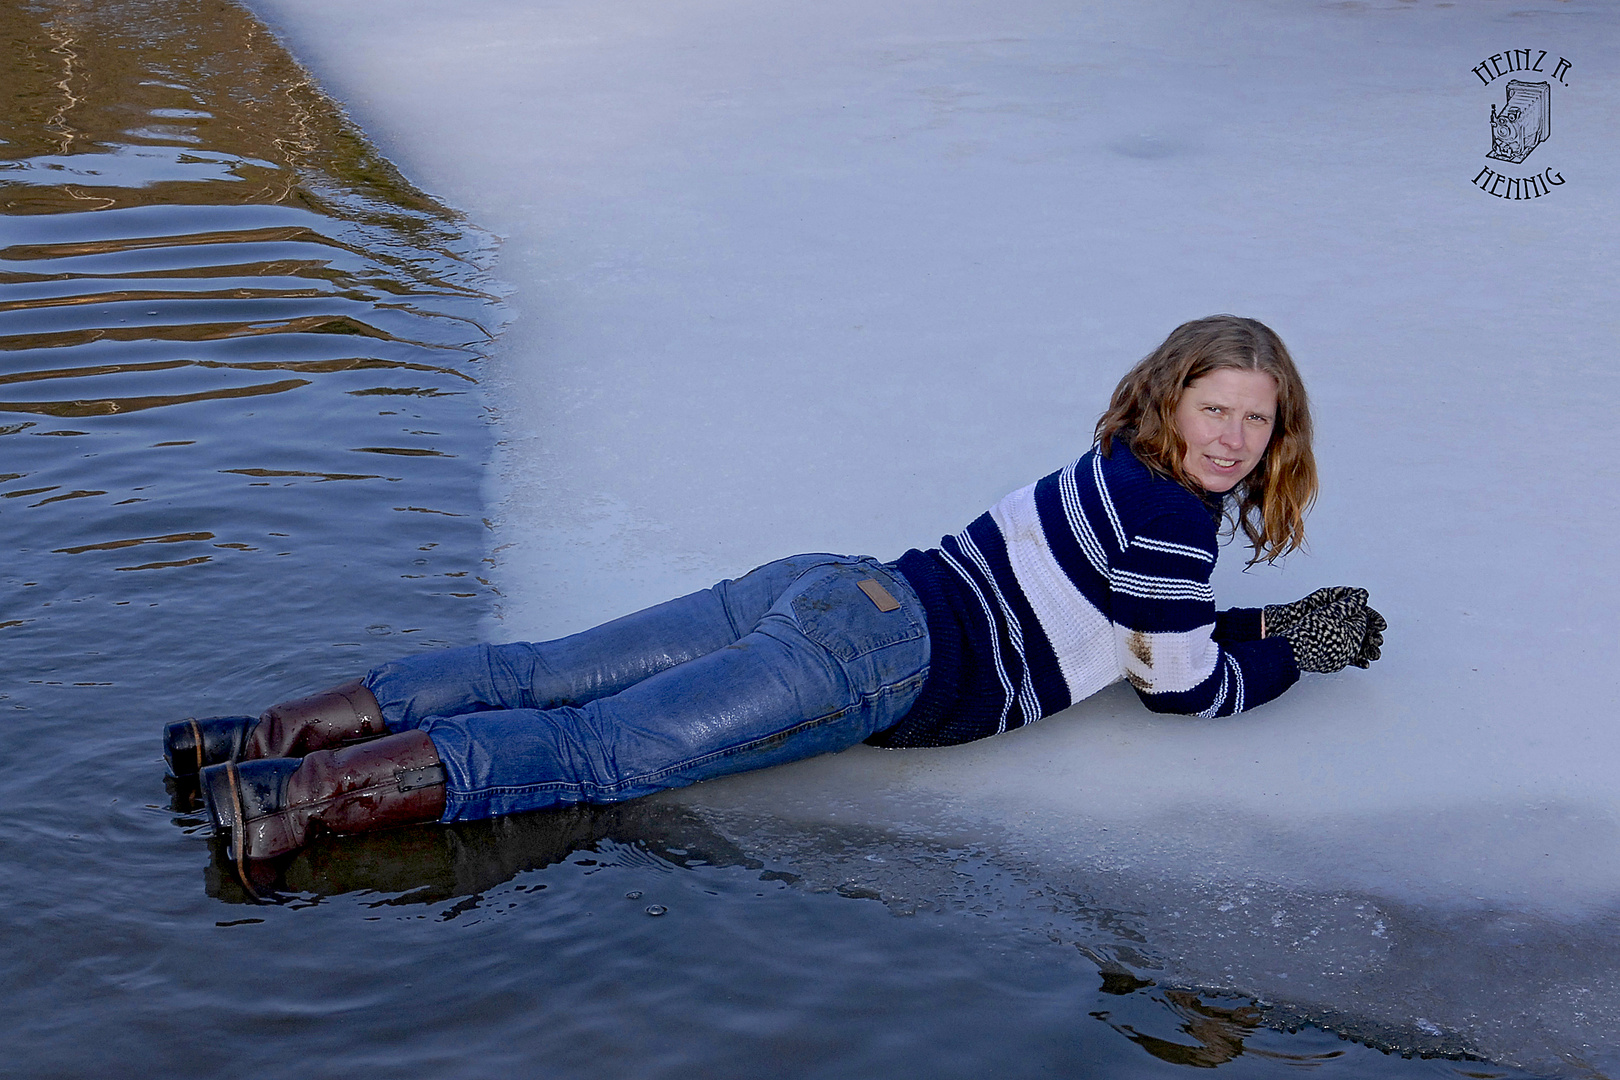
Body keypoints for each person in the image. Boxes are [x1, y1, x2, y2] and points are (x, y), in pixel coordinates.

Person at [167, 315, 1384, 870]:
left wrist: (1258, 624)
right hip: (875, 666)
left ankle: (243, 744)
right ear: (1177, 401)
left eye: (1252, 420)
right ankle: (291, 804)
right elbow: (1177, 686)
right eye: (1216, 410)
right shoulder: (1178, 521)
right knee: (594, 753)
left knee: (540, 668)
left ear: (1278, 431)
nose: (1230, 439)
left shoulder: (1123, 463)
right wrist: (1296, 649)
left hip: (831, 586)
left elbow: (1139, 624)